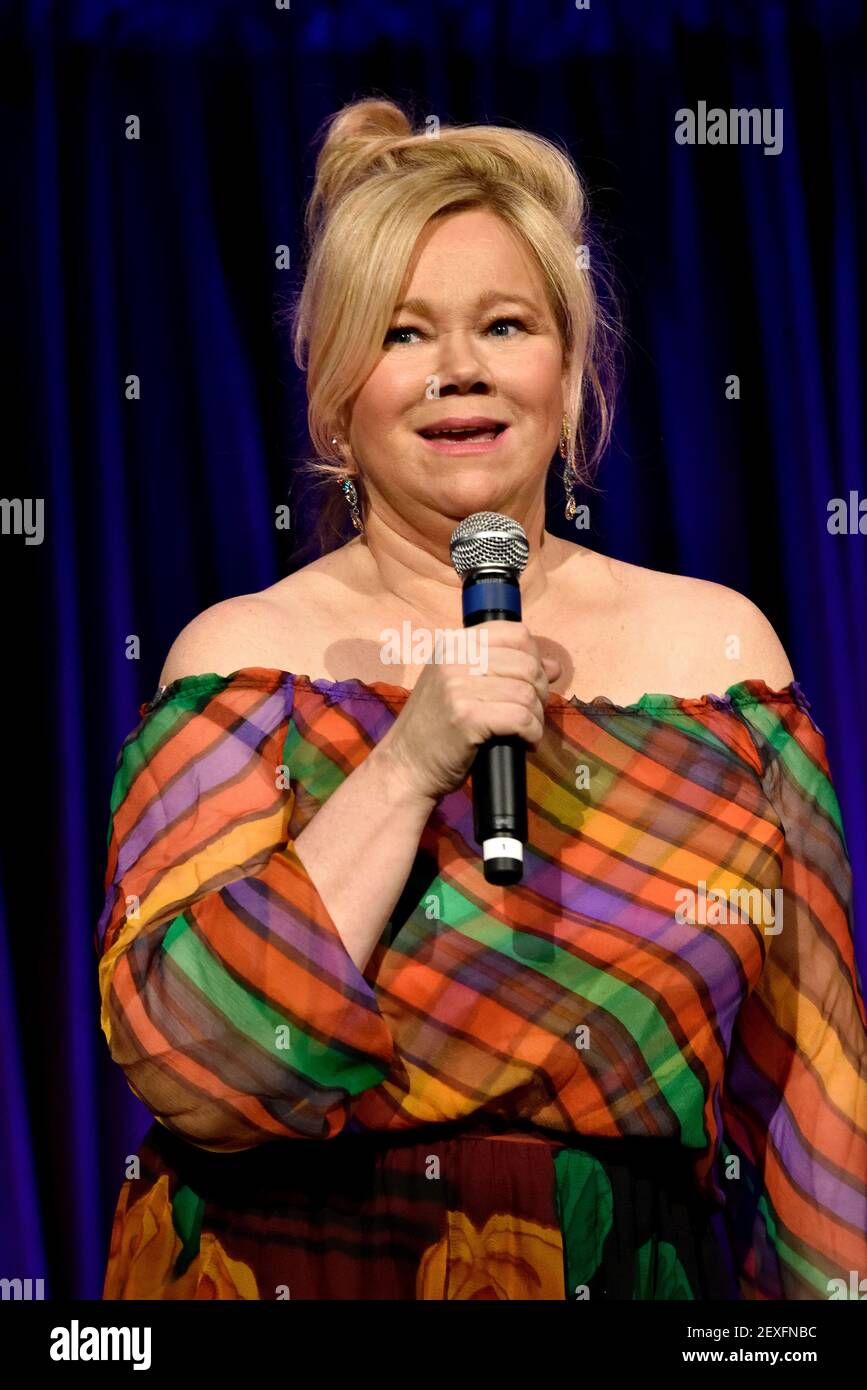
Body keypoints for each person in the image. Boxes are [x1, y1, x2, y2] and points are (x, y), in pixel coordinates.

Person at [96, 97, 867, 1300]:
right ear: (336, 390)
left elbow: (813, 1104)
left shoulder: (720, 656)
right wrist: (406, 766)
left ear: (567, 375)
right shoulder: (242, 661)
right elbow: (189, 1055)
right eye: (405, 335)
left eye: (505, 325)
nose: (460, 368)